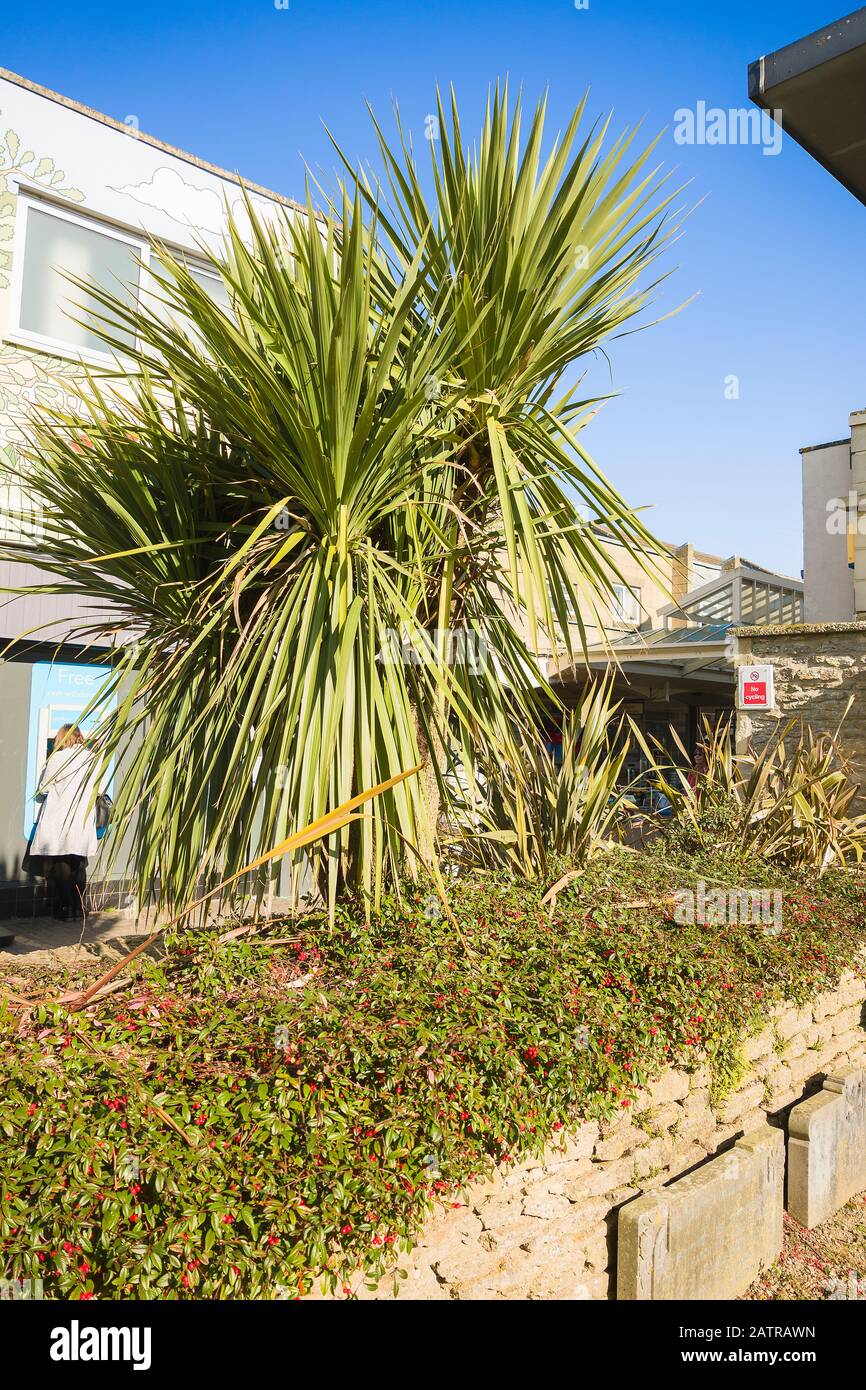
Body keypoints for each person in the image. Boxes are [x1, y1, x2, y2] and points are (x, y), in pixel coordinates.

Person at [31, 724, 101, 921]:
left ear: (62, 738)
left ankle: (66, 909)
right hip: (82, 820)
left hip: (59, 819)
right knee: (79, 865)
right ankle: (79, 910)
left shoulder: (58, 758)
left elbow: (43, 789)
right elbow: (100, 787)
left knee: (62, 864)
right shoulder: (92, 758)